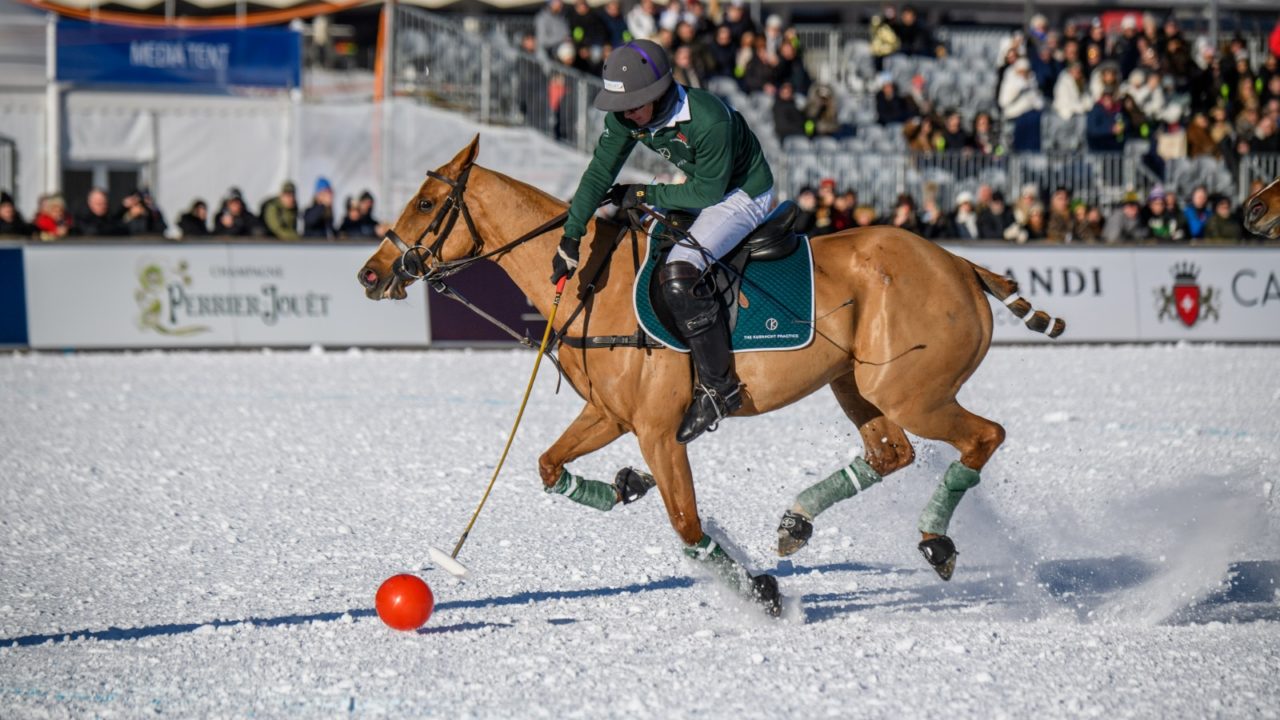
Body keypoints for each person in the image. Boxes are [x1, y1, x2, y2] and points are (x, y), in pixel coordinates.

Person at [552, 39, 774, 445]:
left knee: (680, 269)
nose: (627, 115)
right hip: (704, 188)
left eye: (635, 104)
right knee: (651, 247)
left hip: (743, 193)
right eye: (622, 107)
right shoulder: (627, 118)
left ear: (659, 92)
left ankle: (717, 387)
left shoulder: (708, 119)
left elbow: (707, 195)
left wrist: (643, 194)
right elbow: (599, 173)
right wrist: (571, 235)